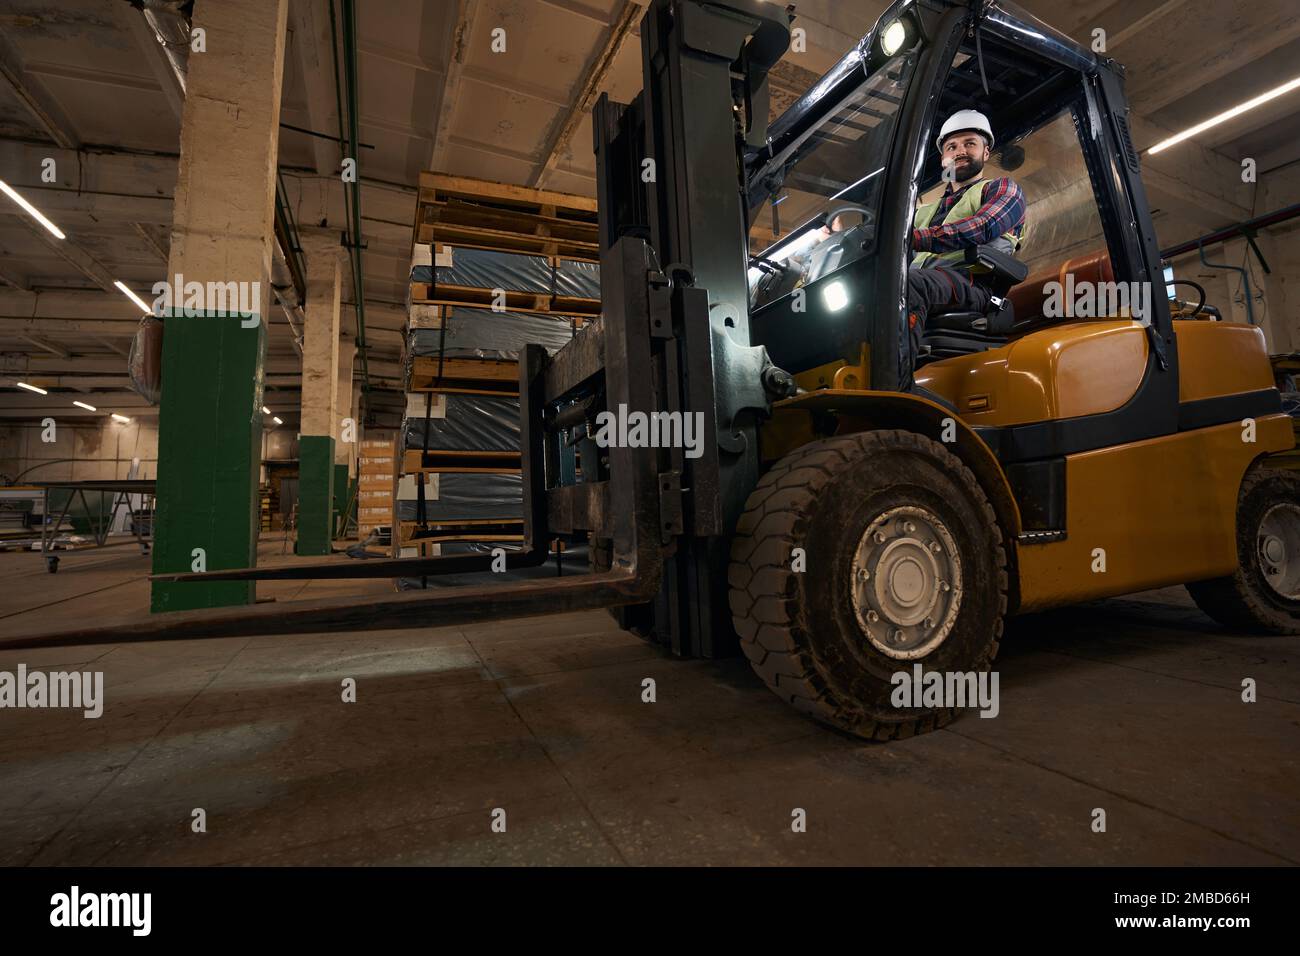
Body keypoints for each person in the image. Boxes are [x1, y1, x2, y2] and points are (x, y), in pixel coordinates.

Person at [904, 109, 1026, 383]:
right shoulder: (925, 210)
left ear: (985, 152)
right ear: (944, 158)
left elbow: (984, 226)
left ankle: (896, 385)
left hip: (973, 284)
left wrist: (916, 238)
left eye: (970, 143)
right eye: (952, 146)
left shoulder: (1002, 188)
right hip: (930, 280)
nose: (960, 151)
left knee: (909, 284)